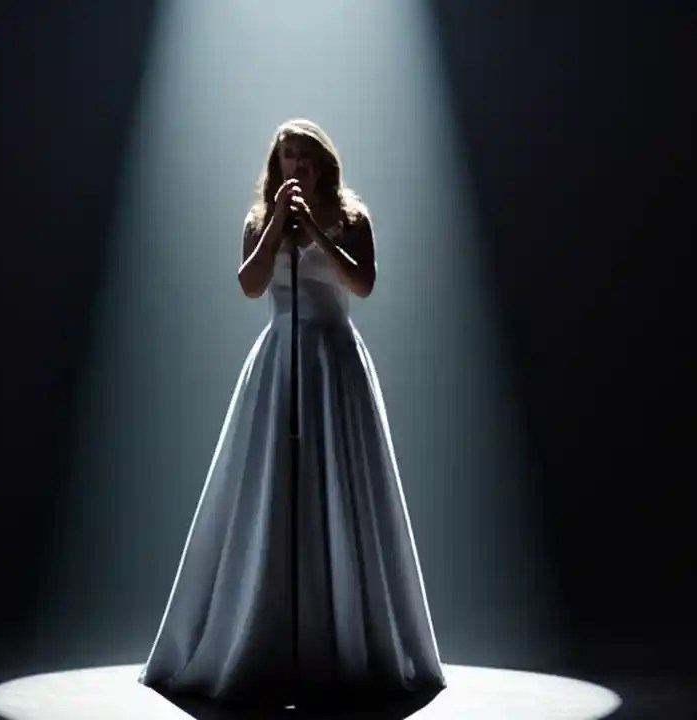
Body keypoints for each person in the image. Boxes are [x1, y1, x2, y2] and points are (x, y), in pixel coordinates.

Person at [138, 119, 446, 710]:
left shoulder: (353, 219)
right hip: (280, 359)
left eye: (304, 157)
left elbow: (364, 284)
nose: (295, 167)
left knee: (340, 490)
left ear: (322, 164)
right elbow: (251, 286)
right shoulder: (262, 221)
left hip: (334, 361)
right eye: (286, 158)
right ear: (276, 167)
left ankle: (348, 642)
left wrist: (320, 239)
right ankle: (263, 634)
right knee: (269, 490)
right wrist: (279, 225)